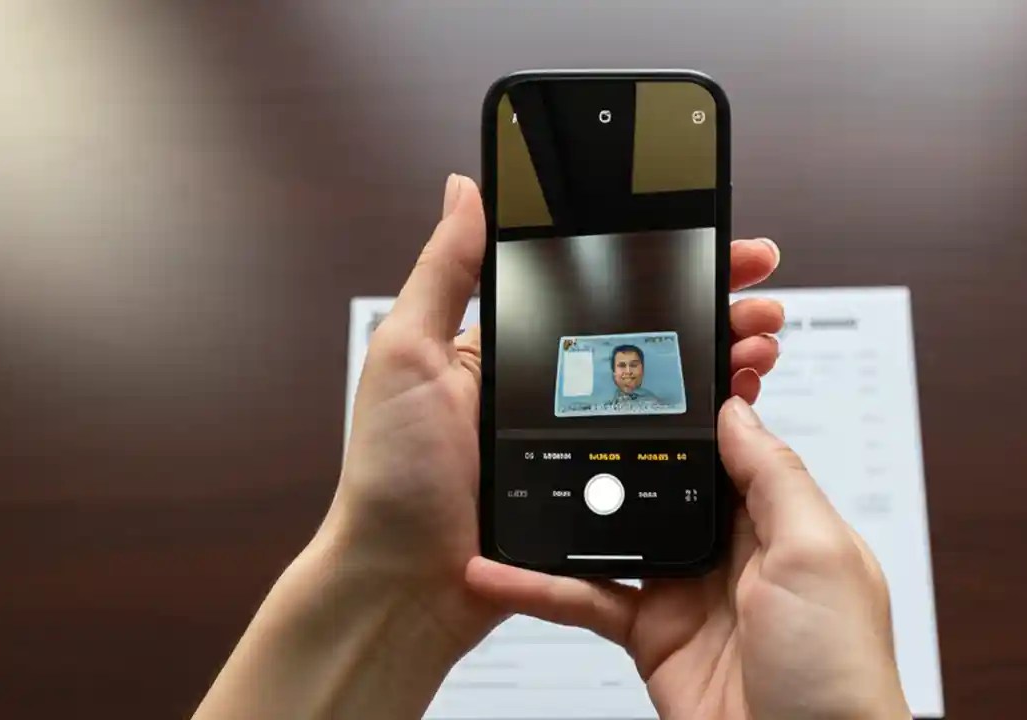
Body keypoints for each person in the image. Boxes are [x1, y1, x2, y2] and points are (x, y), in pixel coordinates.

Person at [193, 175, 911, 720]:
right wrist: (393, 579)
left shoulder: (658, 394)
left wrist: (391, 589)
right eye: (621, 364)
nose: (627, 370)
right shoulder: (585, 388)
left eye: (634, 363)